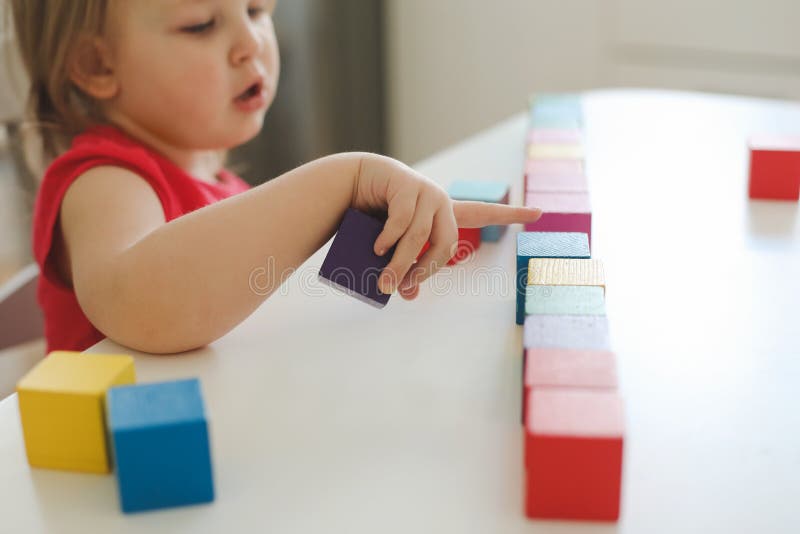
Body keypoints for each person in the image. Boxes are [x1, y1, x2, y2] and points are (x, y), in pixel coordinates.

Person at [8, 0, 541, 354]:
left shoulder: (224, 188)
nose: (251, 43)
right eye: (200, 24)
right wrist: (339, 181)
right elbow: (142, 307)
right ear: (98, 66)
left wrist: (401, 238)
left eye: (257, 8)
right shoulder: (100, 180)